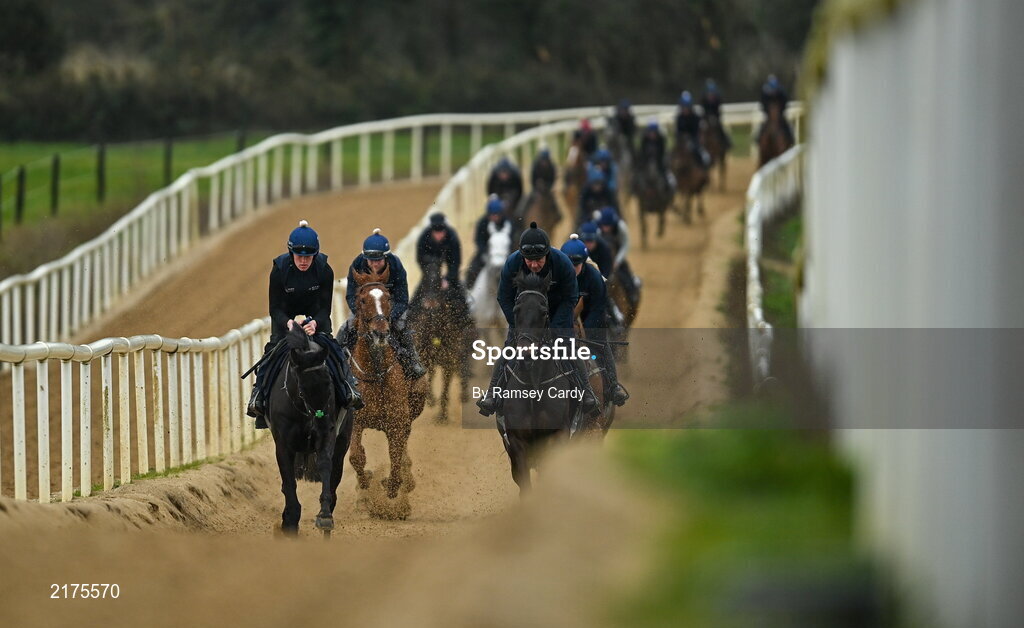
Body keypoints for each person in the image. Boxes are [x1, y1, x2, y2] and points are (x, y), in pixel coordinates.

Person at [476, 222, 600, 418]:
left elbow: (571, 298)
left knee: (568, 347)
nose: (533, 265)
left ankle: (586, 393)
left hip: (558, 310)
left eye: (539, 260)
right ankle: (492, 393)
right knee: (509, 347)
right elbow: (504, 298)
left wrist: (555, 327)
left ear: (548, 254)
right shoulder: (511, 263)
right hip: (526, 314)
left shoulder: (563, 263)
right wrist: (518, 325)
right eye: (529, 260)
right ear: (521, 255)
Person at [246, 220, 361, 427]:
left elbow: (325, 308)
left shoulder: (324, 270)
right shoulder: (279, 270)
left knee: (334, 349)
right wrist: (289, 323)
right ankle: (259, 396)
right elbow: (275, 309)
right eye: (299, 256)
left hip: (315, 315)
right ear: (291, 254)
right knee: (271, 352)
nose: (303, 261)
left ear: (315, 255)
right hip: (286, 317)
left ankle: (349, 387)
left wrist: (315, 323)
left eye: (308, 257)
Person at [338, 228, 427, 380]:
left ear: (386, 257)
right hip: (364, 309)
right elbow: (350, 296)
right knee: (345, 328)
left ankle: (413, 362)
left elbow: (402, 299)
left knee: (402, 327)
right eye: (371, 260)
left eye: (378, 260)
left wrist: (386, 317)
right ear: (365, 257)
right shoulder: (356, 265)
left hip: (389, 309)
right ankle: (338, 366)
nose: (374, 264)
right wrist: (363, 315)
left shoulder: (396, 266)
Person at [561, 234, 629, 406]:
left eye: (576, 265)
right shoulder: (556, 275)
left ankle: (613, 386)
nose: (572, 269)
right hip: (563, 314)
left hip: (590, 313)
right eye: (568, 265)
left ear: (583, 262)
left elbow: (597, 308)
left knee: (601, 346)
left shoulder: (594, 277)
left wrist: (588, 335)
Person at [465, 195, 513, 290]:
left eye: (497, 215)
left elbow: (513, 240)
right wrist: (484, 253)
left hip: (506, 253)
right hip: (486, 253)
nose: (495, 217)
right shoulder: (482, 223)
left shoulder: (509, 223)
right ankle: (468, 292)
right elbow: (478, 240)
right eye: (492, 215)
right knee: (472, 269)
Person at [596, 207, 640, 308]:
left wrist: (617, 261)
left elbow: (625, 245)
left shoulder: (621, 227)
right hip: (600, 257)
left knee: (625, 274)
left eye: (608, 226)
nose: (606, 229)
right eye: (604, 226)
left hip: (616, 255)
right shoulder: (597, 227)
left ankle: (631, 292)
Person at [416, 212, 462, 284]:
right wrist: (428, 274)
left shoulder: (452, 237)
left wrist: (448, 278)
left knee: (457, 285)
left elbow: (456, 261)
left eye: (441, 232)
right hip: (431, 264)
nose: (439, 236)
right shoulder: (423, 237)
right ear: (431, 232)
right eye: (436, 233)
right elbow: (420, 259)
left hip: (449, 259)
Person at [675, 90, 710, 167]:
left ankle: (702, 170)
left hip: (694, 139)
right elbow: (677, 131)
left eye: (686, 106)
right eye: (683, 106)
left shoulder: (696, 117)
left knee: (700, 154)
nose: (685, 109)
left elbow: (697, 131)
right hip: (682, 141)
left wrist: (692, 139)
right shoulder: (679, 117)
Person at [759, 74, 794, 144]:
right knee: (762, 127)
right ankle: (758, 139)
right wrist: (767, 112)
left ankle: (791, 139)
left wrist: (781, 111)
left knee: (786, 125)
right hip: (769, 115)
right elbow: (762, 103)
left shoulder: (781, 91)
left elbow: (785, 102)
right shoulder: (765, 91)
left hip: (779, 115)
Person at [701, 79, 732, 150]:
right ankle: (700, 144)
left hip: (716, 118)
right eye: (709, 93)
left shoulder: (718, 100)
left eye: (712, 93)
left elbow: (718, 111)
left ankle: (726, 142)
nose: (710, 95)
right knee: (702, 129)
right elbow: (703, 111)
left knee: (720, 128)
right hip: (706, 118)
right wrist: (707, 118)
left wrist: (715, 117)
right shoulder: (704, 100)